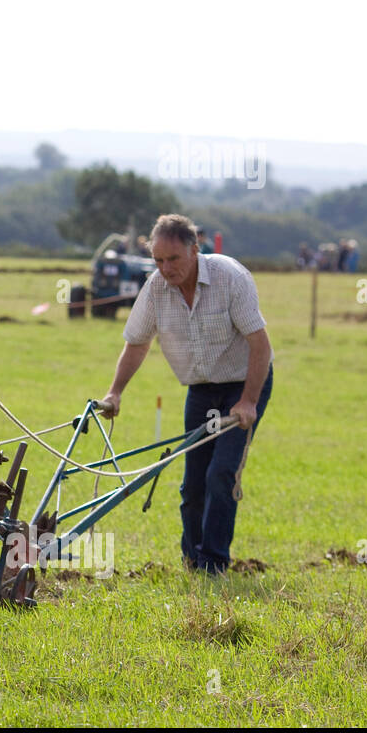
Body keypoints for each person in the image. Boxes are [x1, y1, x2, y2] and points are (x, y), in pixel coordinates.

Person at [98, 214, 272, 575]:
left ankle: (214, 563)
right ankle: (193, 560)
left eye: (173, 259)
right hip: (201, 389)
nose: (165, 268)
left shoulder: (230, 278)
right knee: (193, 483)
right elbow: (137, 344)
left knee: (220, 473)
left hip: (243, 385)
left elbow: (261, 345)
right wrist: (115, 393)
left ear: (195, 250)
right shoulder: (155, 288)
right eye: (158, 260)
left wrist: (249, 401)